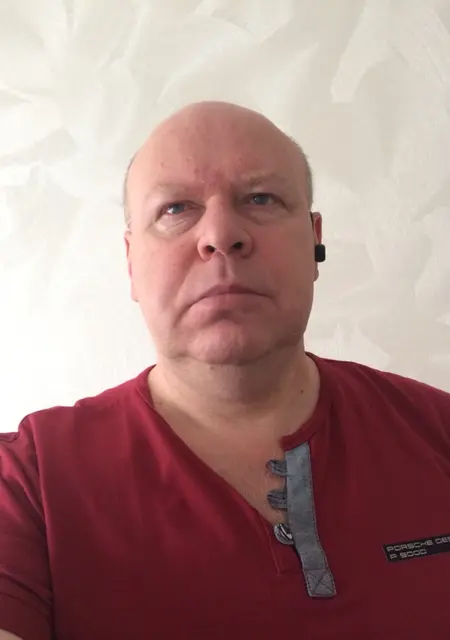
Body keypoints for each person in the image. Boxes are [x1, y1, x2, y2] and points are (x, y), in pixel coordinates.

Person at [1, 100, 450, 640]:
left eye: (261, 198)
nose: (220, 234)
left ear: (314, 240)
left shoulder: (437, 431)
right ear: (131, 263)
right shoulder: (27, 482)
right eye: (175, 208)